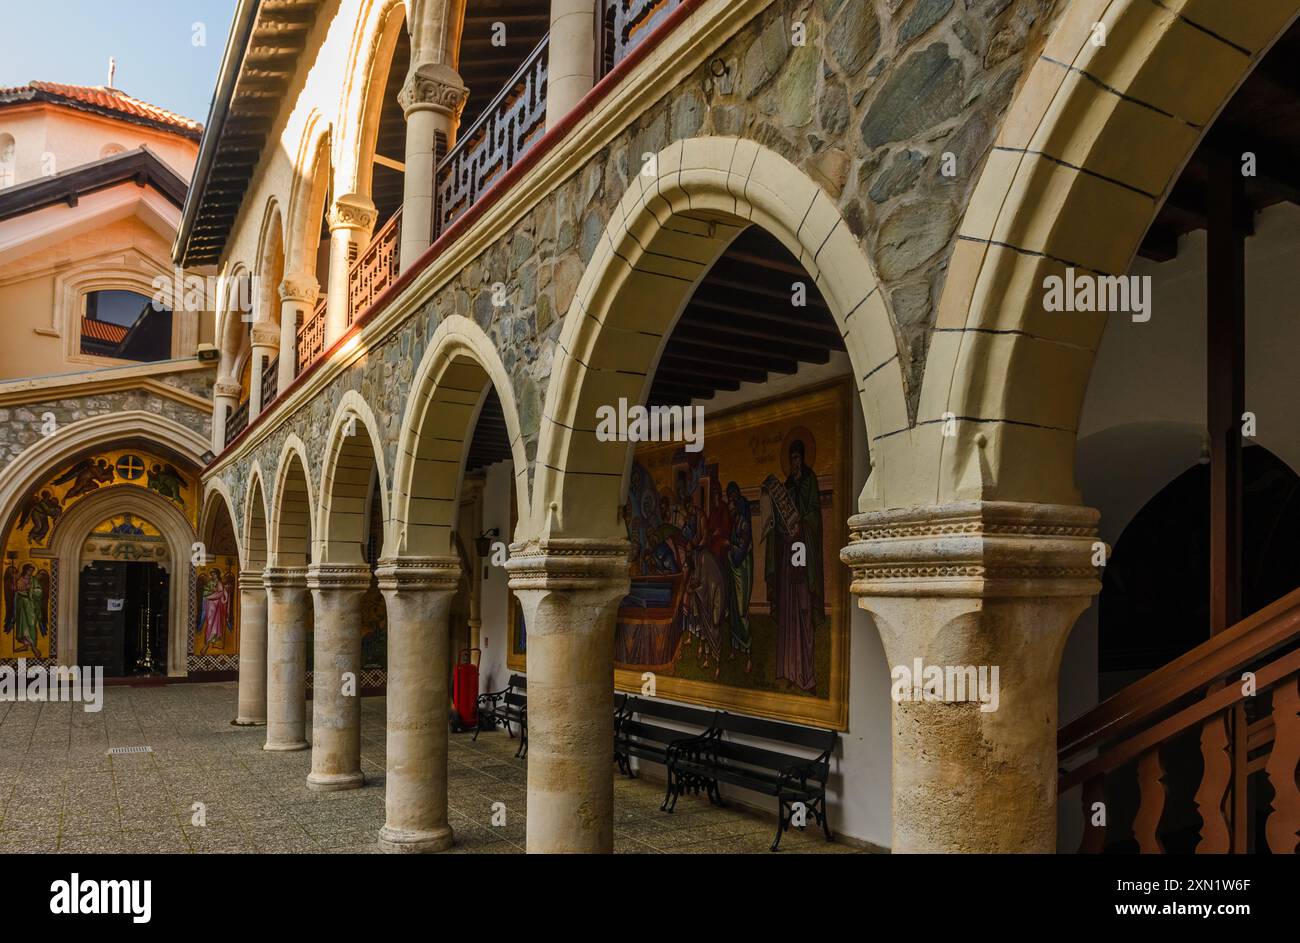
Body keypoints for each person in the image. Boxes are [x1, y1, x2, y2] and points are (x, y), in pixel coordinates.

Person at [764, 438, 823, 692]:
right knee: (788, 613)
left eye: (798, 458)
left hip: (803, 553)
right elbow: (778, 522)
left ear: (804, 459)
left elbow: (814, 515)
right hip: (789, 553)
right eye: (792, 459)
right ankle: (790, 671)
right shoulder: (785, 487)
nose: (795, 462)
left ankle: (807, 677)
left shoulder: (810, 483)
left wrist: (802, 524)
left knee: (802, 610)